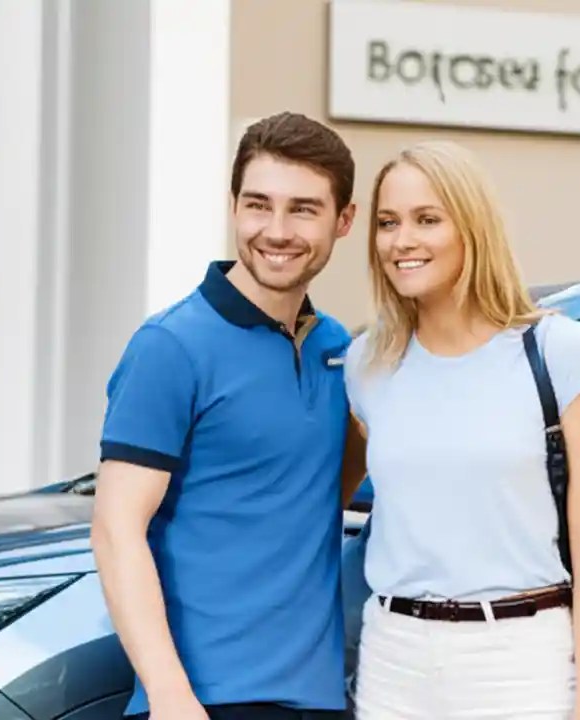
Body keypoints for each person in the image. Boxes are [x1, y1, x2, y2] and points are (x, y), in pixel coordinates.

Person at [91, 111, 369, 720]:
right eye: (258, 204)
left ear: (343, 220)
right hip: (205, 700)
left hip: (318, 697)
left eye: (303, 208)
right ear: (232, 205)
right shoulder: (171, 346)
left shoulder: (337, 349)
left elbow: (323, 489)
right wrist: (168, 695)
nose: (276, 230)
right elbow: (116, 530)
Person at [345, 140, 580, 719]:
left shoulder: (559, 351)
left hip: (519, 660)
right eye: (388, 222)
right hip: (395, 658)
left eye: (427, 220)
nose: (402, 241)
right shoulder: (366, 364)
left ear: (472, 227)